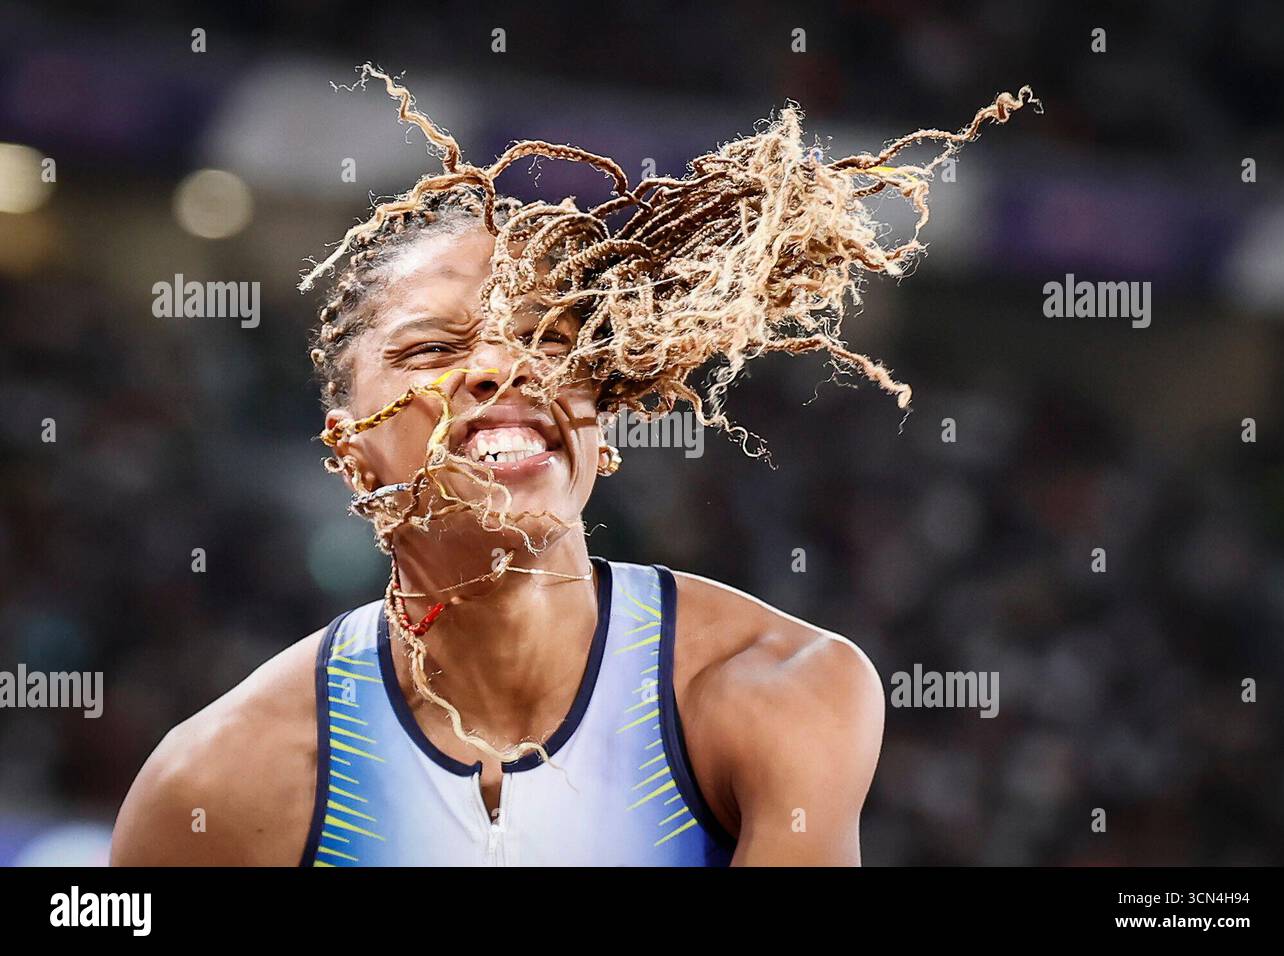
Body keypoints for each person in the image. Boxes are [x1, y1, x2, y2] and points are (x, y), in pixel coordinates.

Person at [111, 68, 1032, 866]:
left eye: (548, 339)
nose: (501, 368)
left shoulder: (776, 687)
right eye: (435, 347)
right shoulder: (225, 781)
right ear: (347, 449)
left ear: (599, 428)